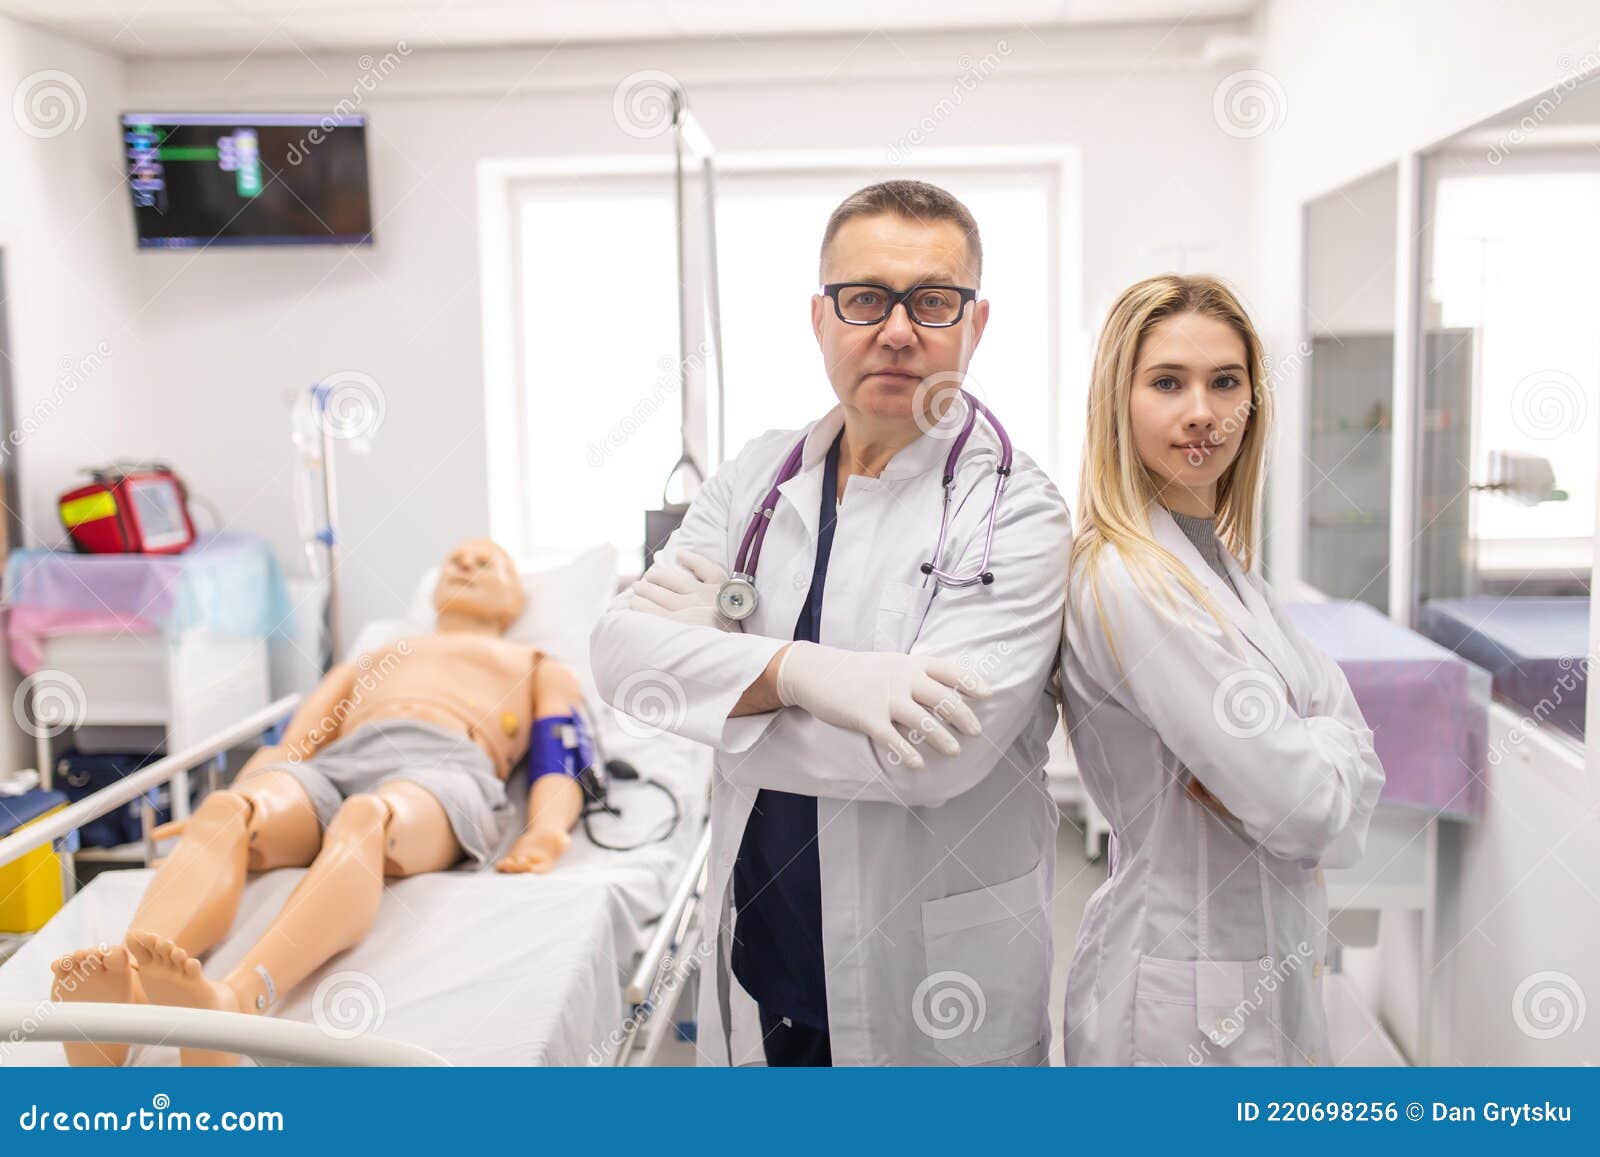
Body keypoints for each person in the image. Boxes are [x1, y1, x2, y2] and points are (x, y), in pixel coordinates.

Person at [591, 180, 1070, 1066]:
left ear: (977, 321)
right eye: (864, 298)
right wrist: (813, 675)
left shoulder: (1017, 513)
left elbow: (933, 755)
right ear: (820, 317)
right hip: (766, 958)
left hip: (929, 987)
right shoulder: (754, 478)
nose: (897, 330)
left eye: (932, 301)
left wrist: (725, 691)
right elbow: (623, 658)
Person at [49, 538, 590, 1065]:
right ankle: (126, 1000)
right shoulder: (370, 659)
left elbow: (558, 761)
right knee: (226, 813)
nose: (465, 564)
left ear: (516, 598)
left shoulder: (536, 663)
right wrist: (230, 806)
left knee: (366, 817)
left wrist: (546, 831)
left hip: (443, 767)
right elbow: (291, 748)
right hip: (336, 766)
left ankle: (236, 1002)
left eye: (485, 562)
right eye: (454, 559)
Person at [1058, 274, 1385, 1066]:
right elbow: (1301, 805)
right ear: (1119, 400)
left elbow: (1354, 752)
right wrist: (1311, 741)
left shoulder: (1228, 570)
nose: (1202, 410)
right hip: (1180, 994)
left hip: (1250, 965)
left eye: (1225, 382)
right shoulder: (1129, 578)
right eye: (1168, 382)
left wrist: (1316, 743)